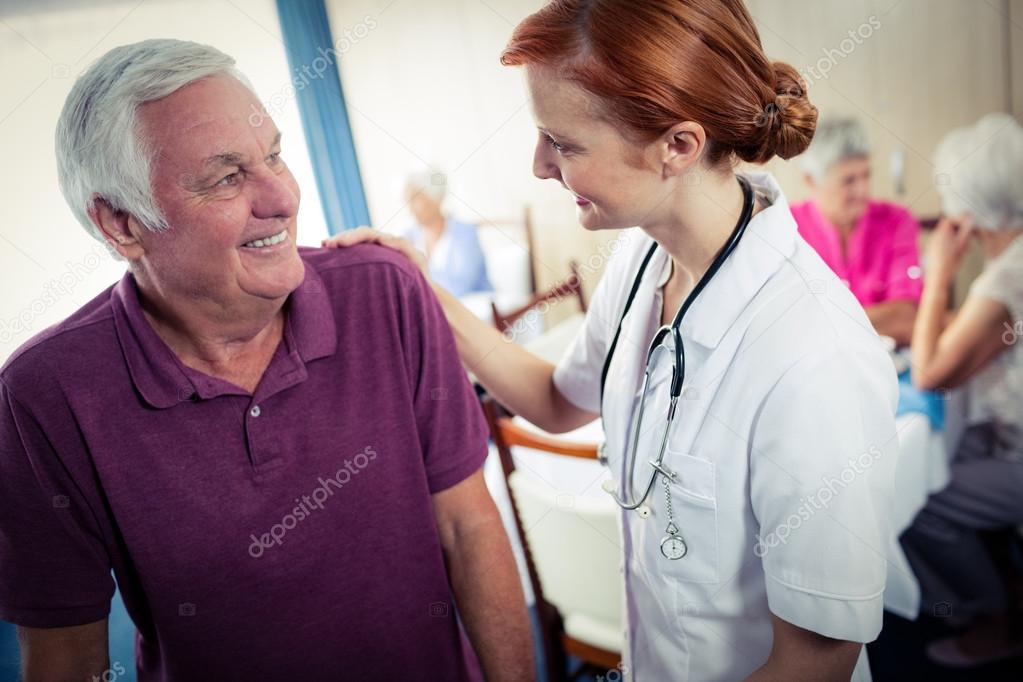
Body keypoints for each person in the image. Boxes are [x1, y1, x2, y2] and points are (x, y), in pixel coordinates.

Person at [324, 1, 899, 679]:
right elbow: (557, 400)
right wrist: (428, 294)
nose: (539, 165)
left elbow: (816, 663)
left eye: (561, 143)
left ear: (677, 147)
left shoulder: (814, 356)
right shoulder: (640, 259)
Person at [0, 39, 532, 681]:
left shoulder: (385, 290)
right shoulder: (42, 395)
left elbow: (468, 528)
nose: (280, 197)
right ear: (121, 226)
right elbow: (65, 656)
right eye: (227, 177)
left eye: (274, 156)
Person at [901, 112, 1023, 668]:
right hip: (1005, 432)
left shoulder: (1007, 278)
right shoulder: (1011, 262)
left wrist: (938, 272)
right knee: (936, 455)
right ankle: (974, 600)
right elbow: (976, 341)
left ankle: (994, 619)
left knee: (921, 497)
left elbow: (931, 372)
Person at [791, 117, 923, 345]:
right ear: (811, 180)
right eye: (849, 180)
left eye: (866, 175)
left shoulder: (896, 220)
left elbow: (905, 319)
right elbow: (788, 325)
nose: (863, 190)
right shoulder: (787, 226)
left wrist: (820, 324)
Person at [398, 170, 493, 298]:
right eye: (408, 201)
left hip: (475, 309)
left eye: (415, 199)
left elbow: (461, 286)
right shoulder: (409, 238)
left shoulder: (465, 233)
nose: (410, 209)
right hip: (437, 311)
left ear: (435, 199)